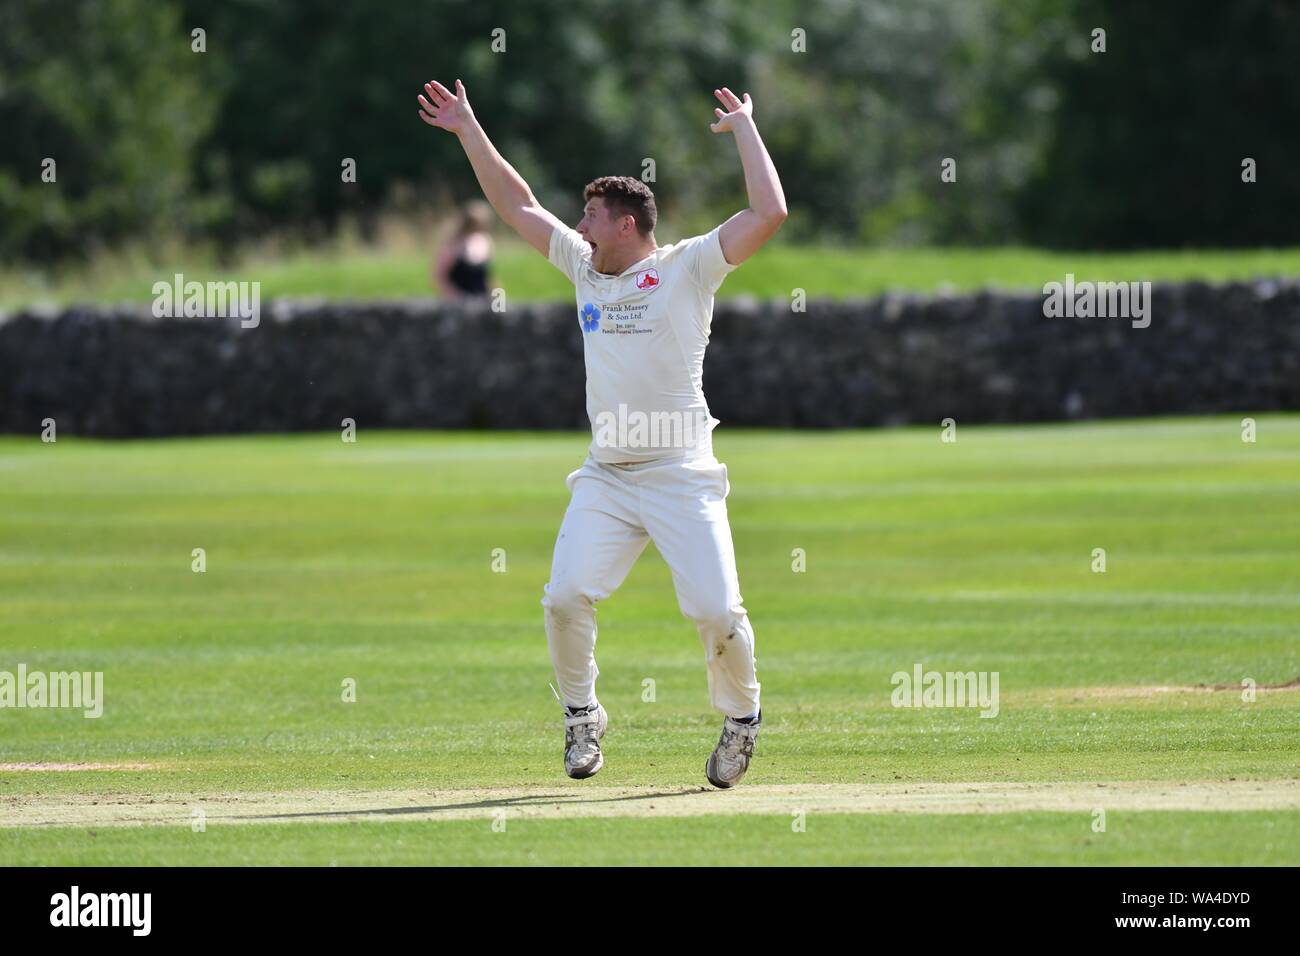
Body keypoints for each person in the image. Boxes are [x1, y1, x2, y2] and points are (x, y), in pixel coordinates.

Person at [418, 78, 787, 788]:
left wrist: (744, 126)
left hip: (681, 472)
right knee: (562, 596)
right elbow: (518, 204)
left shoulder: (687, 266)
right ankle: (582, 717)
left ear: (627, 224)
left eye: (590, 217)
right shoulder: (586, 272)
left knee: (716, 610)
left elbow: (769, 210)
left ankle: (742, 719)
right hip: (608, 477)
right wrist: (468, 128)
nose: (578, 229)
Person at [433, 200, 494, 298]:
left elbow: (487, 276)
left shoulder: (485, 241)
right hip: (457, 302)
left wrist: (499, 299)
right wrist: (455, 296)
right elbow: (439, 277)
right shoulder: (452, 244)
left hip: (481, 298)